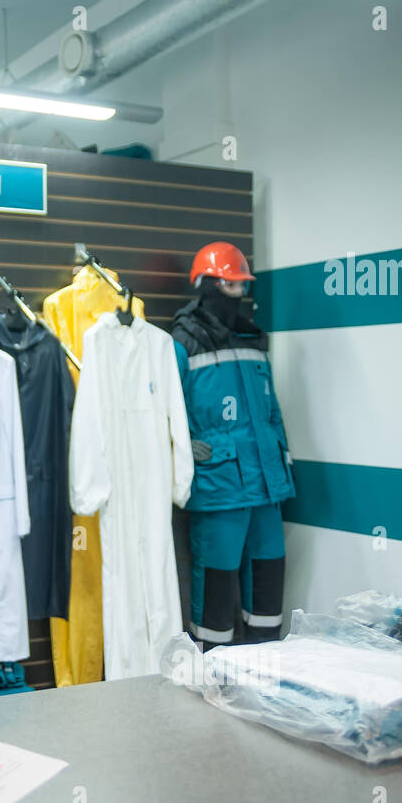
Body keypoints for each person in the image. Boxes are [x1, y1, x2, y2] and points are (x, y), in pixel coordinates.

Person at [172, 241, 295, 651]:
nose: (239, 295)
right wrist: (184, 448)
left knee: (269, 581)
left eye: (243, 286)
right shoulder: (181, 341)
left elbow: (271, 410)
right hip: (219, 485)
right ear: (207, 285)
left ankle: (267, 664)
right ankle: (211, 672)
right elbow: (167, 412)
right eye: (230, 285)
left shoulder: (254, 338)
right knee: (218, 587)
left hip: (266, 486)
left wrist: (283, 459)